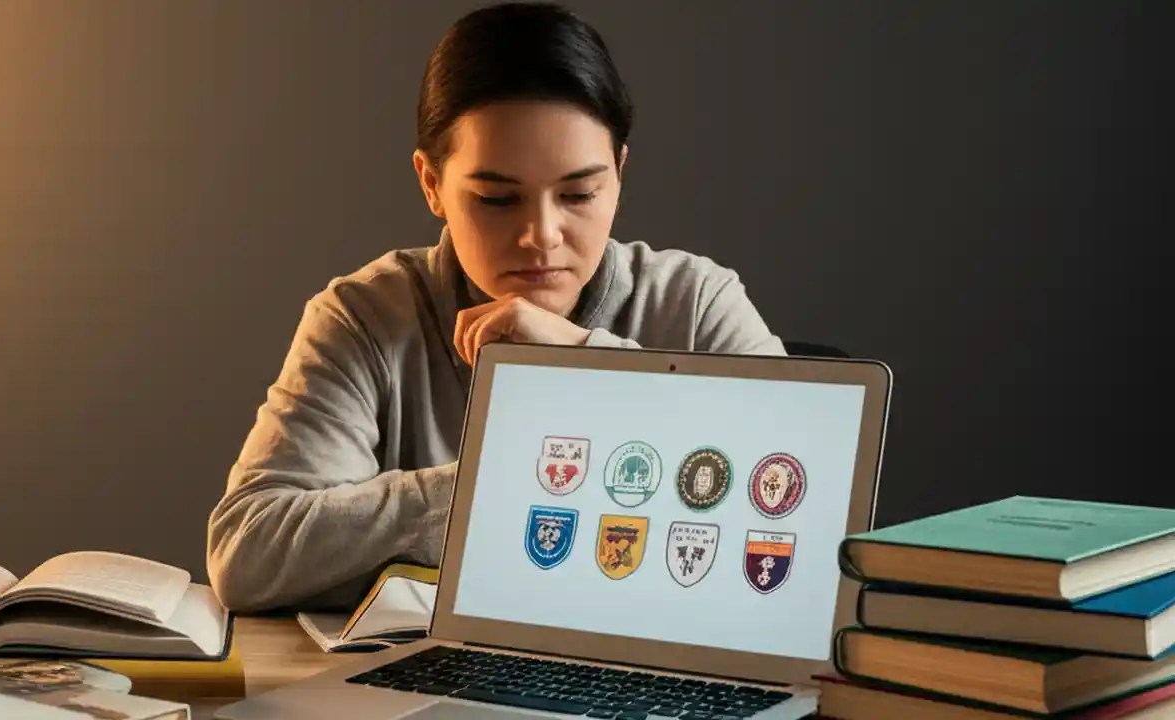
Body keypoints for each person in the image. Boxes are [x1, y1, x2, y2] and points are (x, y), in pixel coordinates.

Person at [205, 1, 786, 613]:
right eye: (497, 199)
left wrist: (587, 362)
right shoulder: (365, 318)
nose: (542, 235)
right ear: (432, 184)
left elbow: (801, 494)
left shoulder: (696, 301)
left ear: (618, 173)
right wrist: (491, 480)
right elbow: (250, 552)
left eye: (580, 193)